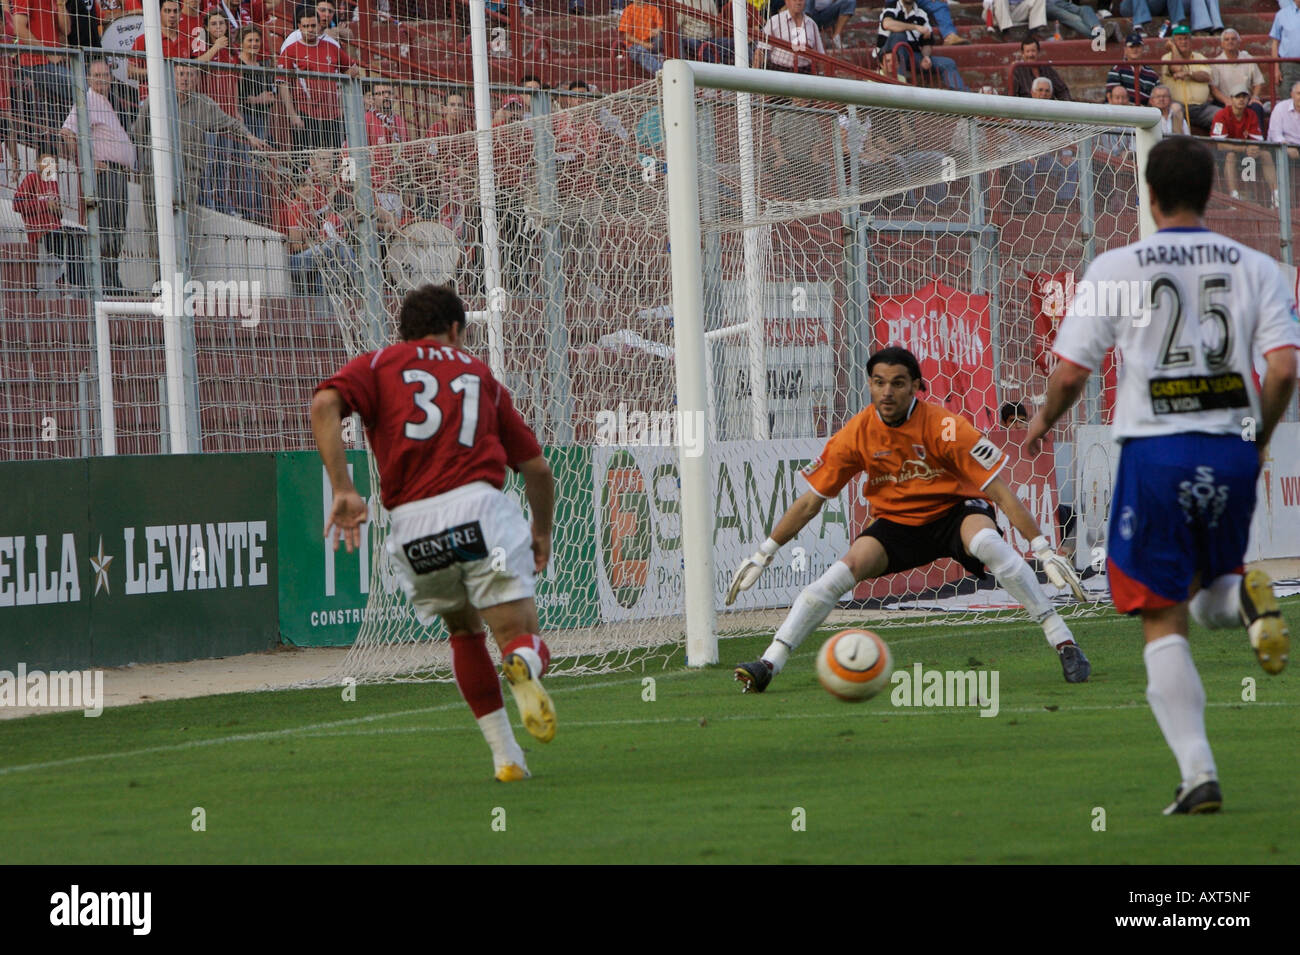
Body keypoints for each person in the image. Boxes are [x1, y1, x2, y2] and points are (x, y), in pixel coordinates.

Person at [1025, 136, 1298, 814]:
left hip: (1156, 453)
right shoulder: (1258, 266)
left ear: (1147, 193)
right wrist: (1259, 437)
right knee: (1211, 592)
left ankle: (1198, 771)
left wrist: (1041, 423)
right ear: (1211, 191)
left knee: (1160, 611)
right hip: (1233, 448)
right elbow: (1286, 367)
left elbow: (1068, 374)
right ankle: (1246, 599)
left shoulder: (1117, 265)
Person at [729, 346, 1092, 694]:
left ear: (918, 386)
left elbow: (999, 492)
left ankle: (1064, 642)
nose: (887, 392)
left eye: (898, 383)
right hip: (897, 523)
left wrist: (1042, 549)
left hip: (955, 510)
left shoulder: (946, 426)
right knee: (838, 575)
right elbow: (810, 502)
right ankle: (769, 663)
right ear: (869, 384)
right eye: (878, 381)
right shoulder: (856, 433)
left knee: (987, 544)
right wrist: (765, 552)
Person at [311, 283, 558, 782]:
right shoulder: (479, 374)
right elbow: (538, 469)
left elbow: (324, 406)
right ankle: (523, 662)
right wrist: (541, 531)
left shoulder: (377, 365)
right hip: (479, 518)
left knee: (463, 630)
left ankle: (506, 757)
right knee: (518, 634)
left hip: (415, 530)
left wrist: (342, 487)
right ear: (454, 330)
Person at [59, 57, 133, 293]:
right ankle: (105, 282)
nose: (103, 79)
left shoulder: (106, 101)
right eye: (98, 75)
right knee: (107, 228)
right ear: (89, 78)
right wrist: (87, 164)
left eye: (106, 75)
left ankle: (112, 278)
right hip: (105, 176)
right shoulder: (89, 99)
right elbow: (67, 131)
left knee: (117, 228)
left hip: (118, 174)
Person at [277, 5, 363, 151]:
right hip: (306, 115)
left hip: (333, 116)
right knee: (305, 163)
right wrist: (293, 115)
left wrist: (342, 101)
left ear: (319, 26)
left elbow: (353, 69)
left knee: (337, 161)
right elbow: (282, 83)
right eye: (306, 26)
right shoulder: (291, 50)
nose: (310, 29)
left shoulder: (331, 47)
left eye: (313, 25)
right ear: (299, 26)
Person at [1210, 84, 1279, 206]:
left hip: (1245, 153)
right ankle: (1234, 197)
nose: (1241, 99)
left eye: (1244, 97)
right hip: (1223, 154)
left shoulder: (1251, 114)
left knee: (1265, 154)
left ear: (1248, 99)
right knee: (1231, 156)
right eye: (1237, 97)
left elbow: (1257, 140)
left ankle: (1276, 196)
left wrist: (1254, 149)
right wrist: (1245, 148)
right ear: (1231, 99)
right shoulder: (1221, 114)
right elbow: (1220, 145)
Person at [875, 0, 967, 90]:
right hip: (888, 56)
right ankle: (899, 88)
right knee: (899, 37)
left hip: (912, 56)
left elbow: (927, 42)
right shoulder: (892, 5)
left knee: (948, 63)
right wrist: (915, 27)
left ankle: (964, 98)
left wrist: (925, 56)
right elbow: (887, 24)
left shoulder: (921, 13)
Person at [1162, 25, 1219, 129]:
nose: (1183, 42)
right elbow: (1177, 68)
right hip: (1178, 106)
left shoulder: (1200, 57)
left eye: (1186, 38)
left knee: (1221, 115)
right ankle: (1178, 144)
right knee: (1175, 110)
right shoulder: (1167, 57)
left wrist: (1188, 74)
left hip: (1201, 107)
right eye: (1179, 39)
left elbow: (1206, 76)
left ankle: (1221, 144)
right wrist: (1173, 48)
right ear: (1173, 42)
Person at [1210, 28, 1266, 131]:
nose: (1230, 41)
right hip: (1225, 101)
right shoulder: (1216, 63)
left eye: (1233, 39)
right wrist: (1226, 101)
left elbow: (1258, 82)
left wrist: (1255, 97)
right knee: (1217, 112)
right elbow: (1213, 89)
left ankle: (1259, 141)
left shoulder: (1248, 59)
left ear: (1239, 42)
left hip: (1245, 100)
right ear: (1222, 44)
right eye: (1226, 39)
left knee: (1257, 108)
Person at [755, 0, 824, 74]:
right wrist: (754, 76)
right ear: (787, 1)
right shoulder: (775, 21)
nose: (798, 2)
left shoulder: (812, 25)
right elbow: (761, 51)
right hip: (778, 71)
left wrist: (822, 75)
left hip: (804, 72)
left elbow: (820, 55)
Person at [618, 0, 664, 76]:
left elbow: (661, 26)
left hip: (652, 43)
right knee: (639, 49)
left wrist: (657, 30)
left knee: (667, 36)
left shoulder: (653, 9)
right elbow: (626, 35)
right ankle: (661, 72)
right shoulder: (628, 10)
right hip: (634, 45)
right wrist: (644, 44)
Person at [1270, 0, 1300, 100]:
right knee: (1287, 101)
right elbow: (1275, 43)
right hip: (1288, 66)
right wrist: (1276, 68)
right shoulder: (1282, 14)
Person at [1267, 80, 1300, 148]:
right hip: (1284, 148)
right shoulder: (1281, 108)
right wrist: (1287, 148)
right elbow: (1275, 134)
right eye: (1299, 93)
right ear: (1292, 95)